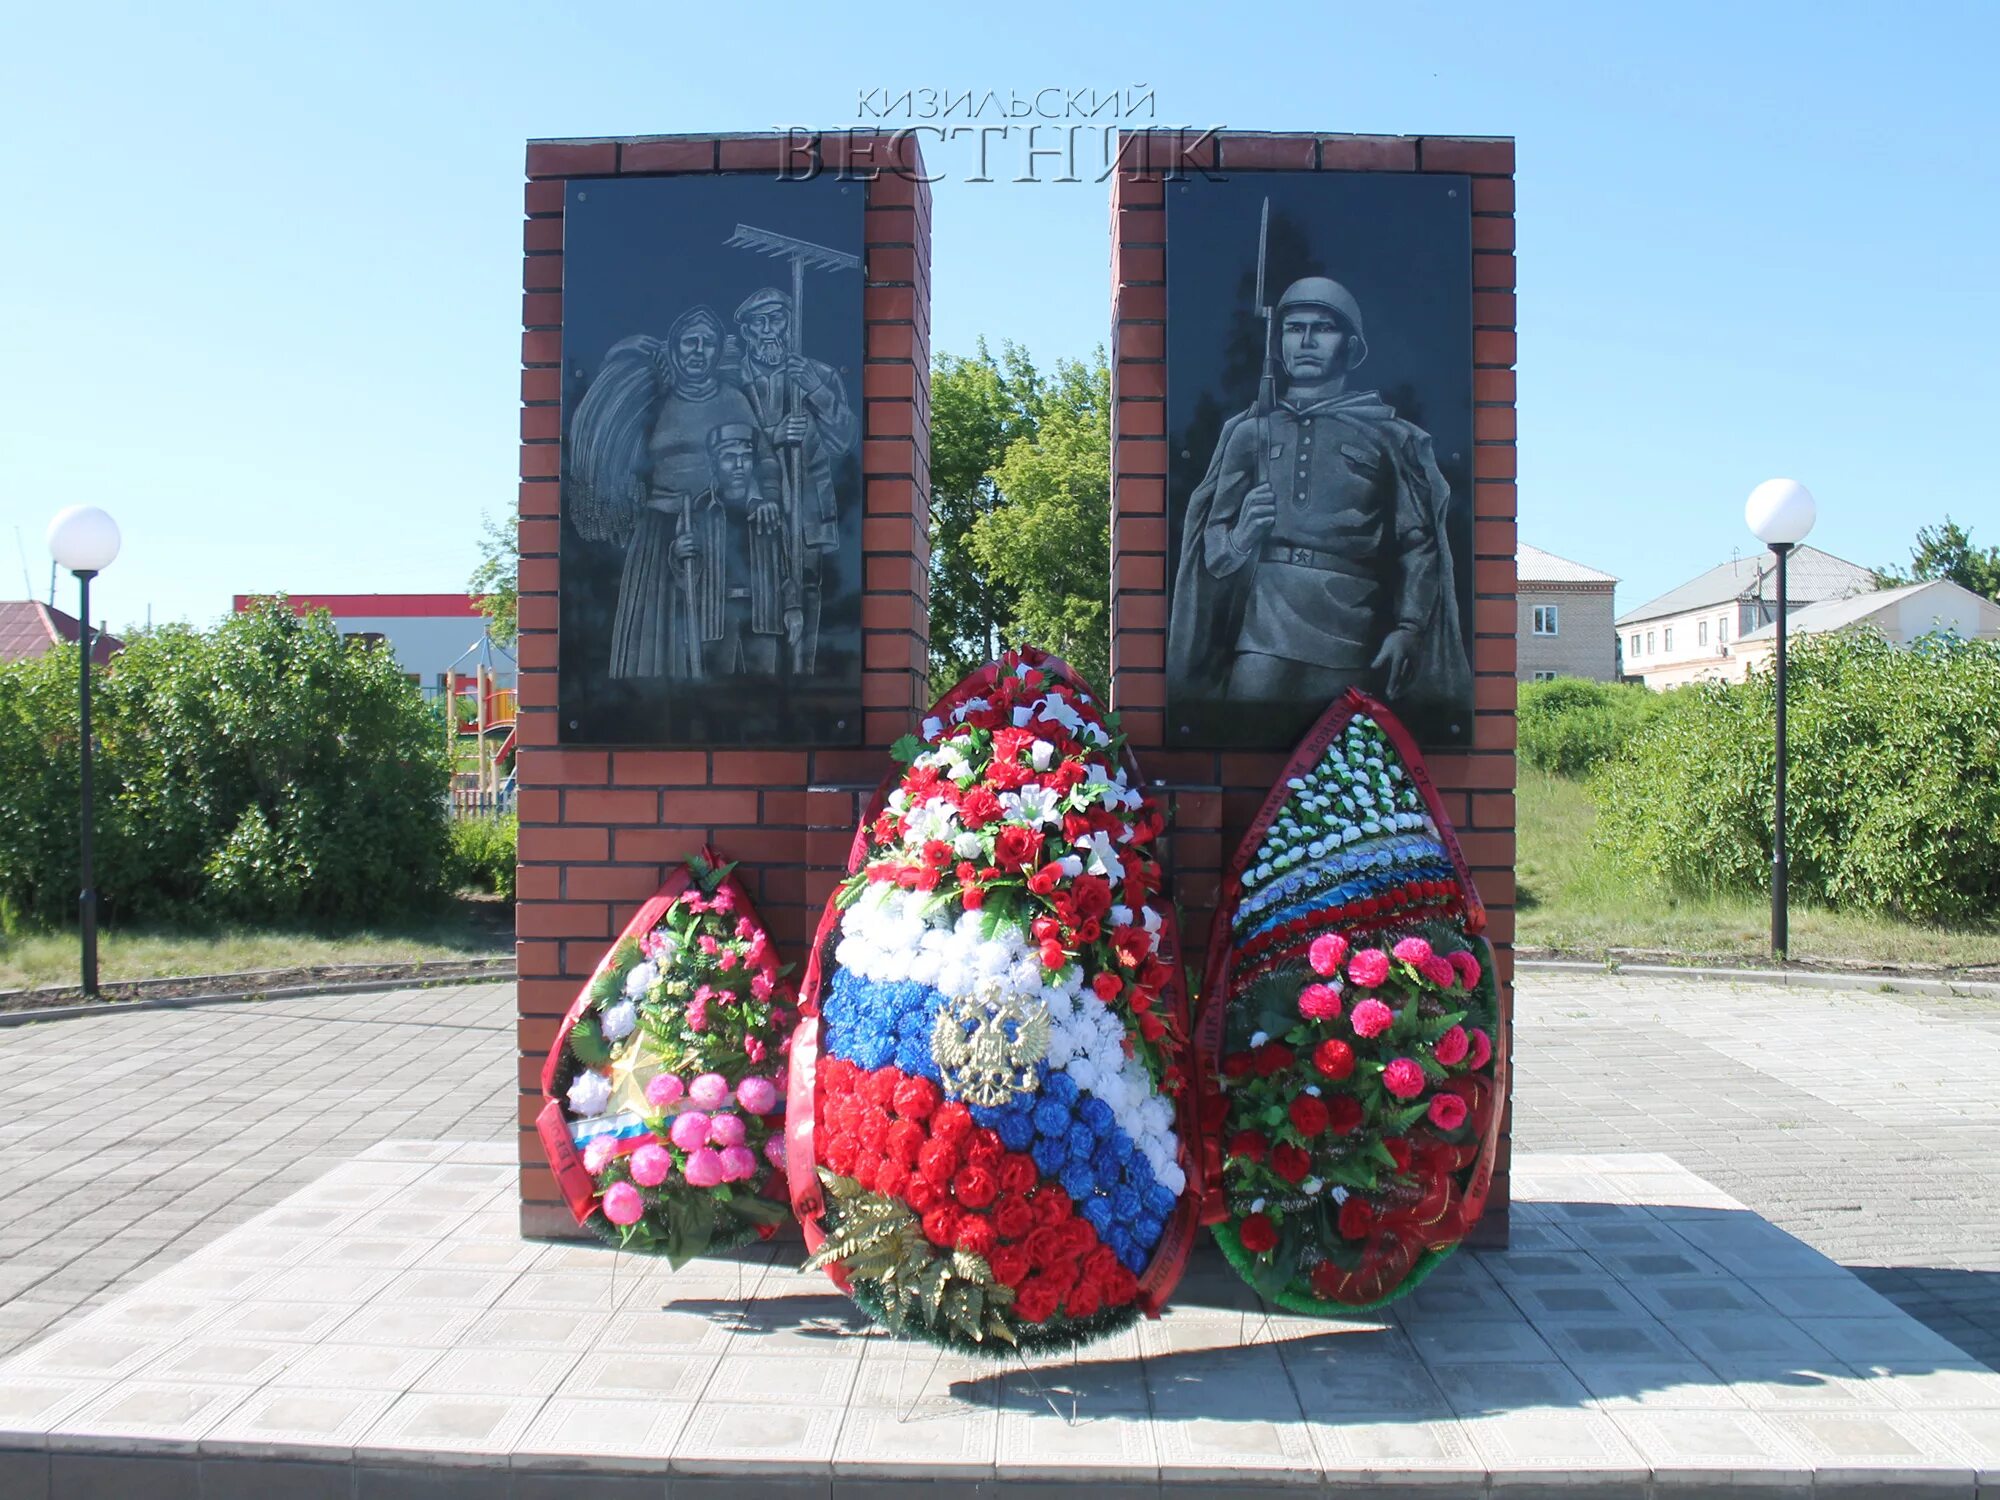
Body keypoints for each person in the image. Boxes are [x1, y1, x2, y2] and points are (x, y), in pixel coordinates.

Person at [1167, 276, 1469, 722]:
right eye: (1294, 328)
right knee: (1243, 733)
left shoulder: (1388, 435)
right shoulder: (1249, 432)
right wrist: (1242, 536)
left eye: (1323, 328)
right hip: (1263, 633)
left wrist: (1408, 628)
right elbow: (1211, 549)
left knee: (1346, 764)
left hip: (1354, 633)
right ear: (1279, 340)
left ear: (1350, 345)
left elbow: (1416, 543)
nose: (1306, 341)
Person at [728, 287, 856, 673]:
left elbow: (842, 441)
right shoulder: (729, 381)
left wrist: (815, 391)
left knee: (808, 593)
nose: (769, 330)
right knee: (753, 595)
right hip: (749, 511)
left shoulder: (818, 375)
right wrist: (773, 436)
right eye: (759, 322)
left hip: (806, 512)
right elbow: (719, 441)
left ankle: (803, 681)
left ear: (789, 323)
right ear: (747, 331)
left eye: (777, 319)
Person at [676, 423, 802, 680]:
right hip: (713, 618)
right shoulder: (698, 512)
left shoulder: (769, 513)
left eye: (746, 458)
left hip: (763, 615)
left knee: (765, 693)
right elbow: (682, 577)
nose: (739, 466)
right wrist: (678, 553)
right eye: (729, 458)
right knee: (711, 697)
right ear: (714, 463)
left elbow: (786, 568)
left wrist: (793, 607)